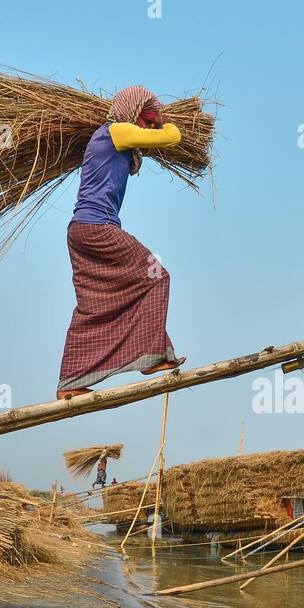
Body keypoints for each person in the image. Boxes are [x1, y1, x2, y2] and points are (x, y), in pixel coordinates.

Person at [57, 86, 187, 400]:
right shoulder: (116, 132)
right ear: (131, 111)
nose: (147, 127)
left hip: (82, 230)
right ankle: (152, 357)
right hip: (96, 227)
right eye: (146, 119)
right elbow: (173, 138)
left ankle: (70, 382)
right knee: (157, 275)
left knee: (93, 306)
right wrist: (166, 122)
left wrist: (154, 121)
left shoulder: (113, 139)